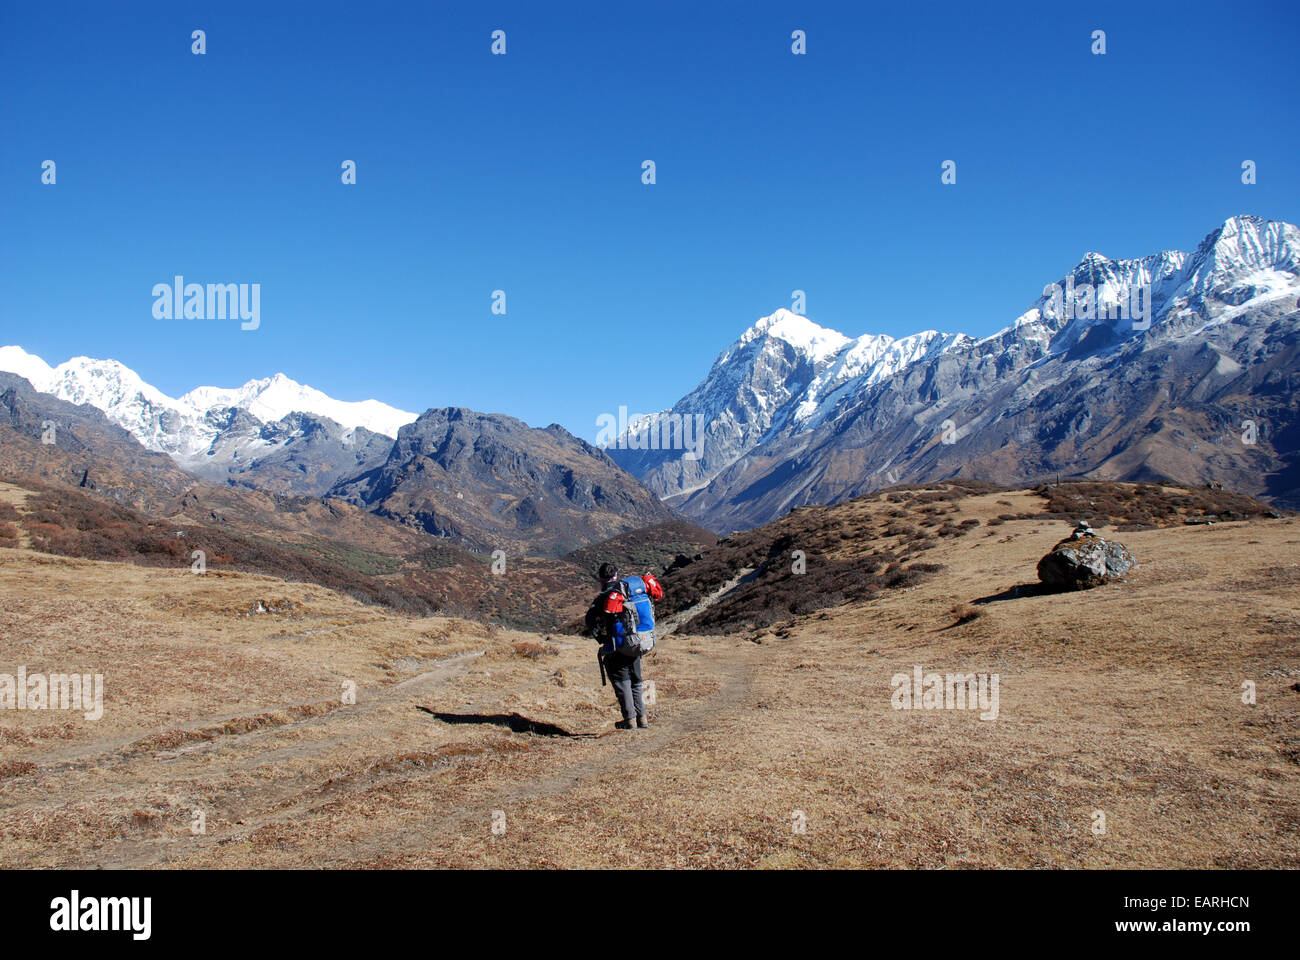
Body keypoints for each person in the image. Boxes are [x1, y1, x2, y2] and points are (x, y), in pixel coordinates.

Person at [583, 561, 661, 730]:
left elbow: (590, 620)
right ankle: (642, 718)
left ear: (601, 579)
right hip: (636, 642)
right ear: (616, 575)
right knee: (636, 681)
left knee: (622, 682)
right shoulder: (627, 591)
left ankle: (630, 720)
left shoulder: (605, 597)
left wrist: (602, 639)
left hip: (617, 645)